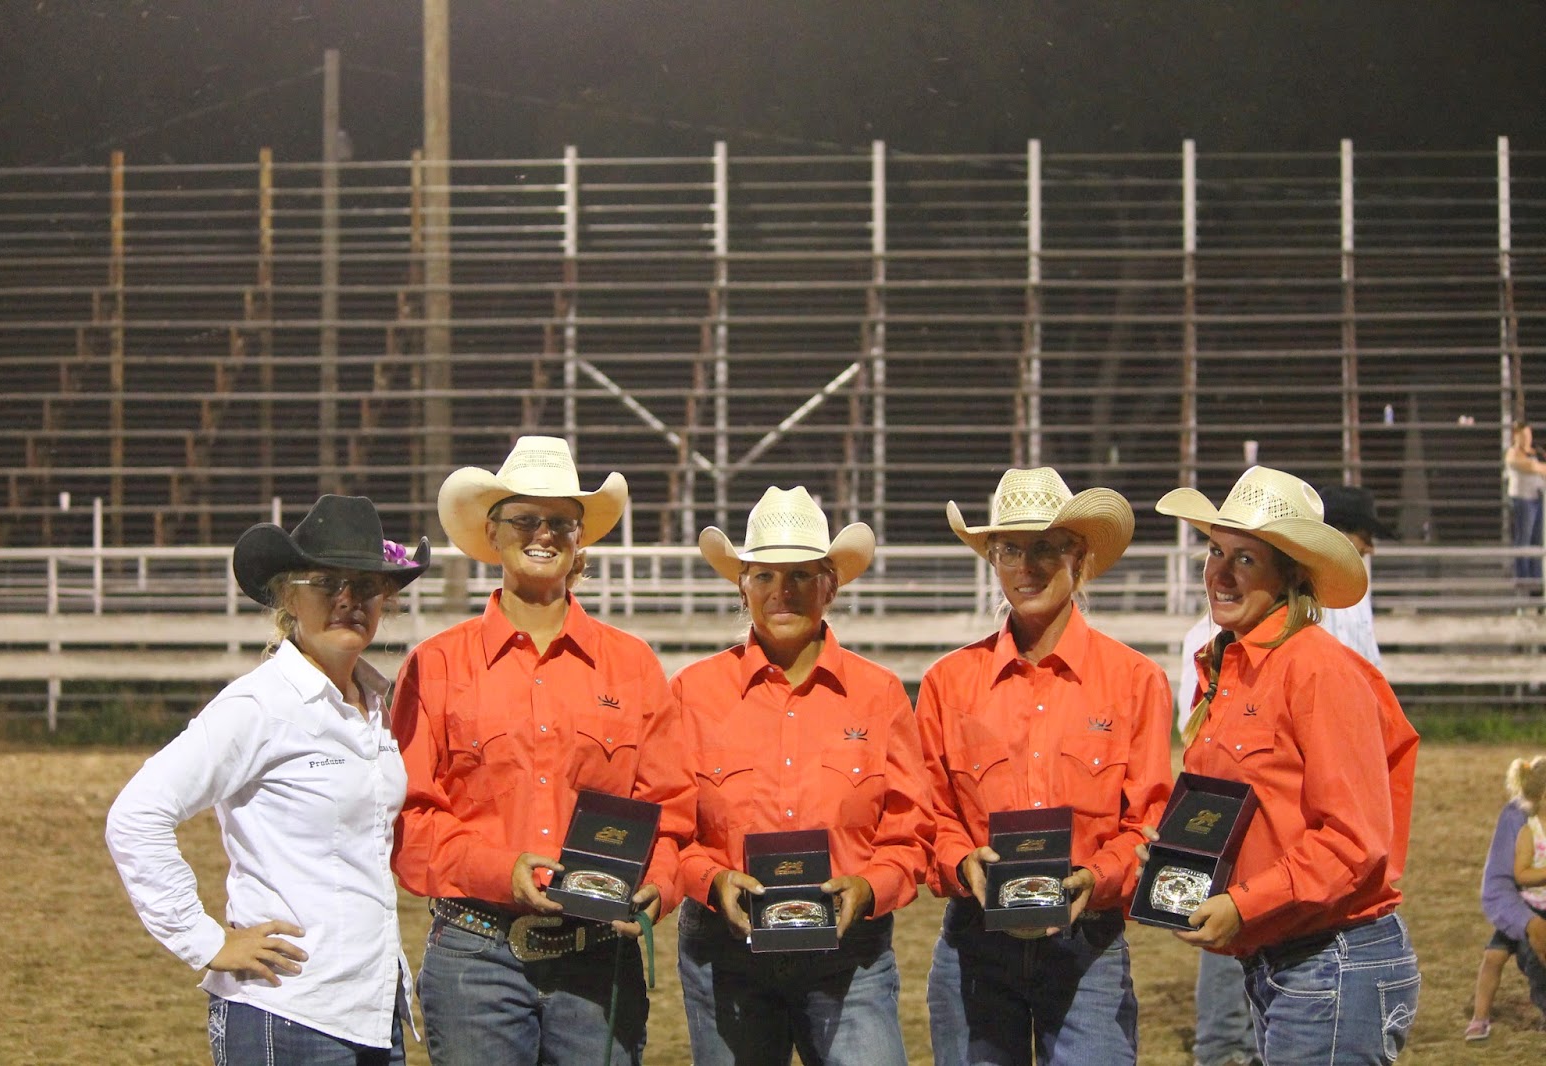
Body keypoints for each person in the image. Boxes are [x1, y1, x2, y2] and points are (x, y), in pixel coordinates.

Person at [390, 435, 696, 1066]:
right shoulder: (435, 665)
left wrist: (659, 883)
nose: (544, 534)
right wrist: (499, 871)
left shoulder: (633, 666)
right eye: (525, 519)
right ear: (493, 533)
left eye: (560, 522)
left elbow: (669, 809)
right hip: (477, 952)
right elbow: (410, 819)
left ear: (579, 539)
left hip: (597, 951)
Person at [106, 494, 430, 1065]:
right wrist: (205, 940)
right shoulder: (260, 705)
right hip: (288, 1011)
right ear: (289, 597)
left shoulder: (376, 706)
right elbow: (137, 815)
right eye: (326, 584)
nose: (349, 600)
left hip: (368, 1009)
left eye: (366, 586)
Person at [1154, 465, 1421, 1066]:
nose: (1220, 573)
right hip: (1296, 957)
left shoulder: (1316, 670)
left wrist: (1242, 903)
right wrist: (1176, 855)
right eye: (1216, 551)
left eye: (1245, 559)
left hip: (1331, 958)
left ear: (1291, 574)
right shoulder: (1235, 666)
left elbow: (1353, 841)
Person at [917, 467, 1173, 1065]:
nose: (1026, 567)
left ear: (1078, 557)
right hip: (975, 938)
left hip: (1088, 940)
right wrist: (961, 860)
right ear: (992, 560)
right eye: (1010, 550)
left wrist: (1099, 876)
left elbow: (1149, 819)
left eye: (1045, 548)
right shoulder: (946, 684)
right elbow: (929, 813)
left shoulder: (1136, 681)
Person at [670, 486, 933, 1066]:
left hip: (850, 954)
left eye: (800, 576)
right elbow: (669, 825)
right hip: (726, 951)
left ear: (829, 586)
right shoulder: (693, 693)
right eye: (764, 576)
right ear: (742, 587)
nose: (781, 591)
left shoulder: (879, 694)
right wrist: (710, 879)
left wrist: (871, 887)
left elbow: (911, 827)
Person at [1467, 754, 1546, 1040]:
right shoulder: (1523, 825)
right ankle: (1479, 1018)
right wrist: (1528, 922)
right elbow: (1511, 878)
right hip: (1530, 905)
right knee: (1496, 956)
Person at [1506, 424, 1546, 582]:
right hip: (1523, 501)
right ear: (1516, 436)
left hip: (1537, 499)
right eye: (1523, 435)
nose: (1527, 439)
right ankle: (1523, 579)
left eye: (1529, 435)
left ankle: (1536, 579)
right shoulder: (1512, 453)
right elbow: (1529, 466)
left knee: (1537, 541)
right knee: (1524, 540)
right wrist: (1538, 467)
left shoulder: (1535, 452)